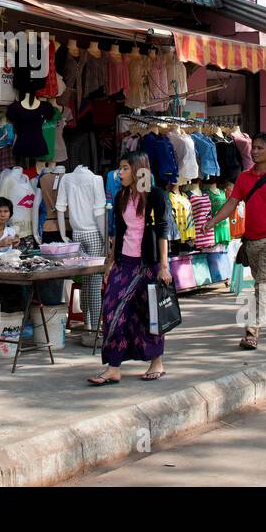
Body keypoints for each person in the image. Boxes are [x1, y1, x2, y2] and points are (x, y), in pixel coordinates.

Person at [205, 132, 266, 350]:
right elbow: (231, 203)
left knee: (263, 285)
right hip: (252, 241)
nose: (255, 152)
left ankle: (251, 330)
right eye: (253, 148)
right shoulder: (244, 177)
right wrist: (213, 221)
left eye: (260, 148)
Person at [90, 152, 170, 385]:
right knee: (112, 309)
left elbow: (163, 232)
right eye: (120, 168)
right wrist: (110, 261)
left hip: (148, 264)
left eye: (125, 168)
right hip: (124, 263)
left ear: (138, 170)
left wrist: (164, 267)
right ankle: (113, 367)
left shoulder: (156, 195)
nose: (119, 173)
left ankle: (157, 361)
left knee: (149, 313)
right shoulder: (121, 196)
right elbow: (117, 232)